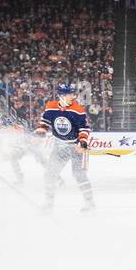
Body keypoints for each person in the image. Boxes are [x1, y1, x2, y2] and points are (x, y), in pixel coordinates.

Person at [41, 83, 95, 213]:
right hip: (59, 147)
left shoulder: (77, 109)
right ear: (62, 96)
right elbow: (45, 122)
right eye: (71, 94)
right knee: (50, 174)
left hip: (75, 147)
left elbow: (84, 128)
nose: (74, 96)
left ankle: (90, 203)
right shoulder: (51, 107)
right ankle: (49, 203)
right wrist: (40, 131)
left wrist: (82, 141)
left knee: (79, 175)